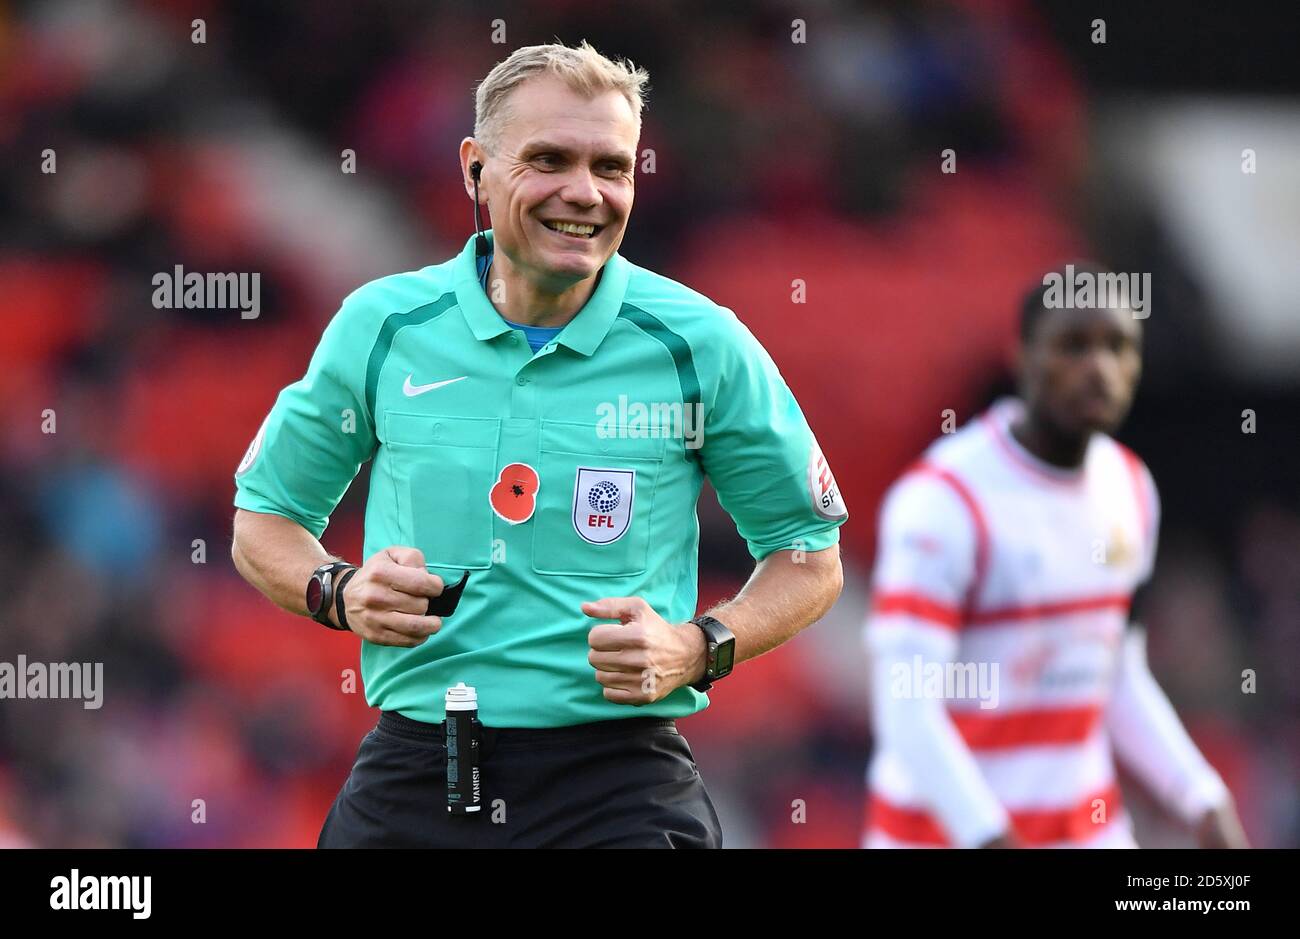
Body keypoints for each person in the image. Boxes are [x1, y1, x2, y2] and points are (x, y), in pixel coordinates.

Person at [230, 40, 847, 848]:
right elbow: (264, 517)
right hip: (419, 774)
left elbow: (810, 554)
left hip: (616, 790)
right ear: (475, 169)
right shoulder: (382, 327)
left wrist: (700, 645)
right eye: (550, 159)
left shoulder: (702, 344)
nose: (584, 193)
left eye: (612, 167)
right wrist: (336, 591)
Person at [861, 265, 1249, 848]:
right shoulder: (944, 501)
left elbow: (1115, 673)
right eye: (1073, 347)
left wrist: (1201, 797)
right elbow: (906, 711)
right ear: (1021, 356)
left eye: (1119, 348)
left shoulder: (1131, 488)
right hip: (941, 836)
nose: (1099, 369)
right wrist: (991, 836)